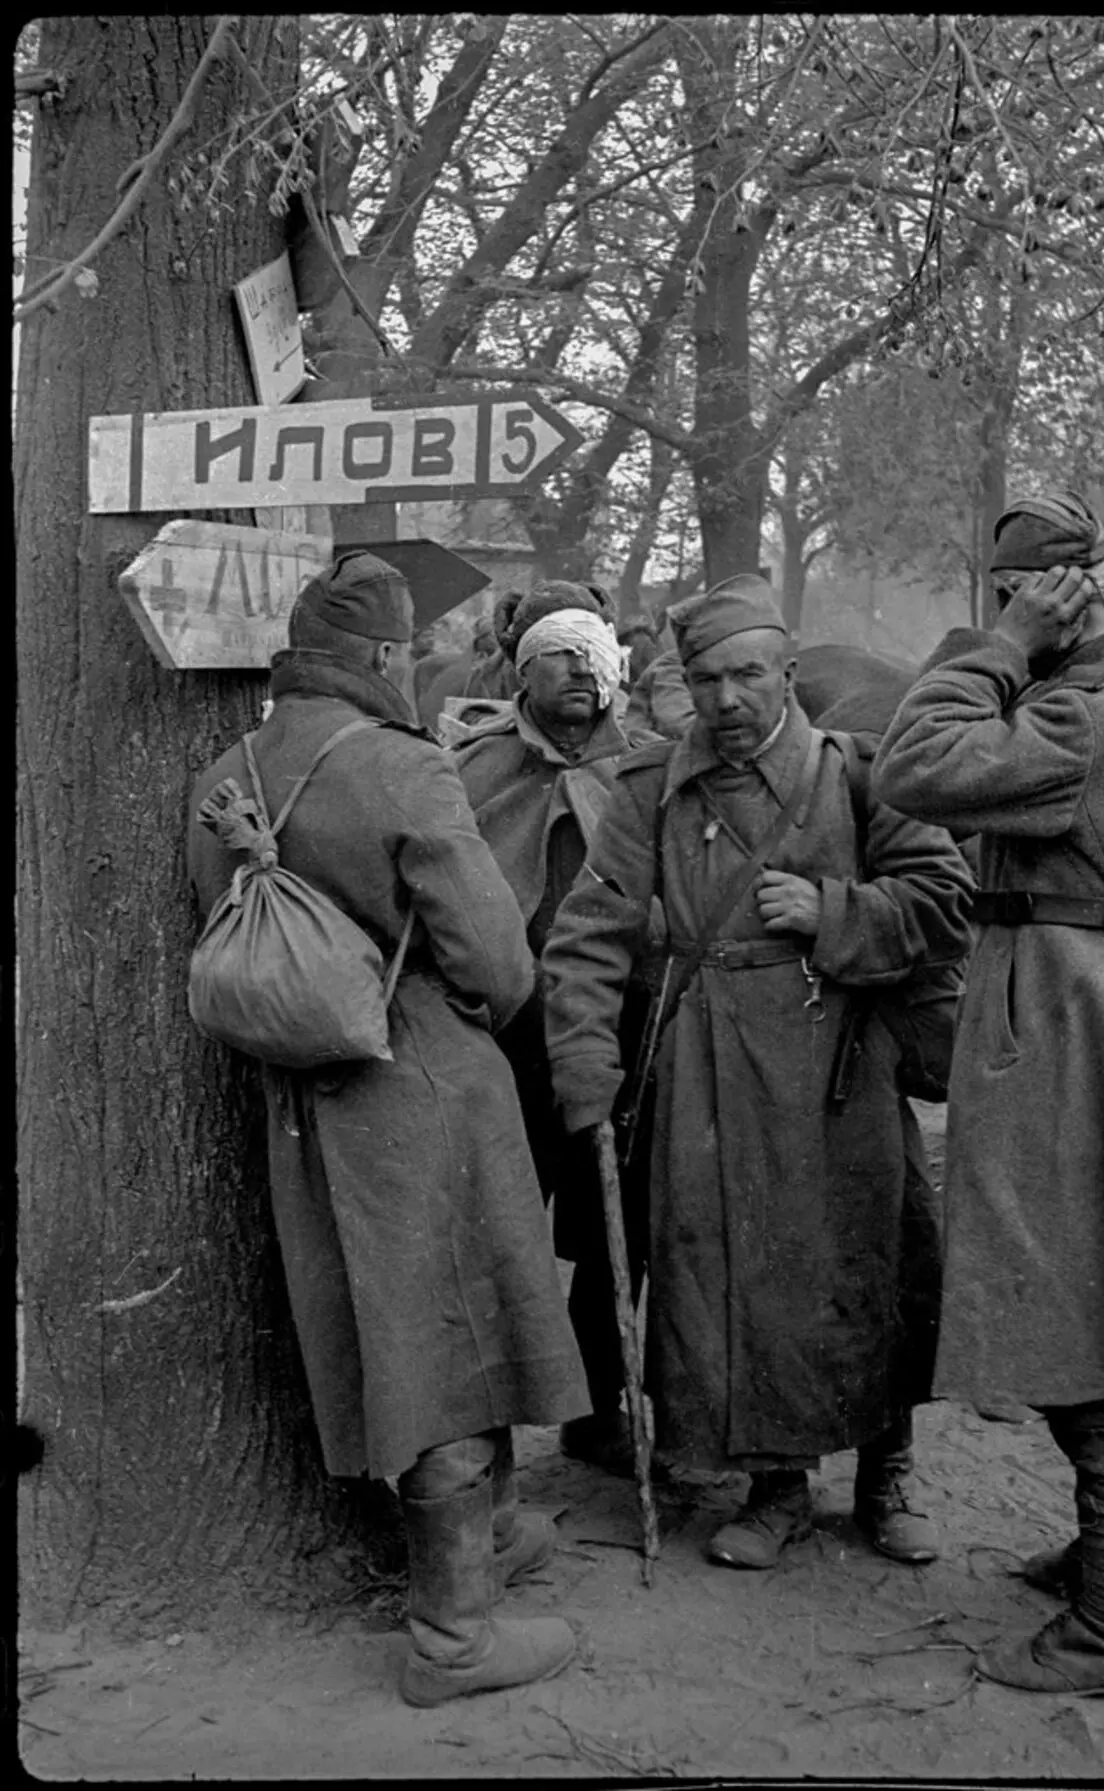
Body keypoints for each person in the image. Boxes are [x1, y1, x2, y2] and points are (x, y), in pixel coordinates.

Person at [187, 552, 590, 1706]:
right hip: (419, 1086)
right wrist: (463, 1012)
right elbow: (499, 961)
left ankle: (492, 1536)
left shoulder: (224, 773)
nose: (415, 665)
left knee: (393, 1331)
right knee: (450, 1337)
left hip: (299, 1105)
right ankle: (456, 1636)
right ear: (377, 659)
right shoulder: (408, 771)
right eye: (407, 648)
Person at [541, 573, 975, 1568]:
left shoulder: (861, 774)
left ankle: (886, 1474)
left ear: (786, 670)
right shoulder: (652, 787)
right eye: (705, 680)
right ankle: (775, 1486)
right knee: (731, 1275)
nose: (726, 700)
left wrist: (832, 912)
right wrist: (585, 1068)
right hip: (706, 1065)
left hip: (839, 1063)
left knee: (872, 1260)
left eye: (746, 675)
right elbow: (587, 936)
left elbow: (947, 903)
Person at [873, 490, 1104, 1696]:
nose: (998, 621)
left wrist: (1000, 649)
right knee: (1101, 1284)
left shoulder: (1085, 715)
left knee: (1078, 1307)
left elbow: (910, 767)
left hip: (1069, 1031)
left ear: (1054, 595)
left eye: (1009, 599)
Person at [454, 581, 657, 1476]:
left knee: (620, 1220)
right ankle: (481, 1424)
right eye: (557, 652)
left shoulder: (651, 767)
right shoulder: (471, 767)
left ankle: (599, 1404)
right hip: (505, 1037)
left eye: (592, 651)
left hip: (618, 1027)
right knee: (496, 1222)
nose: (580, 670)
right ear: (518, 667)